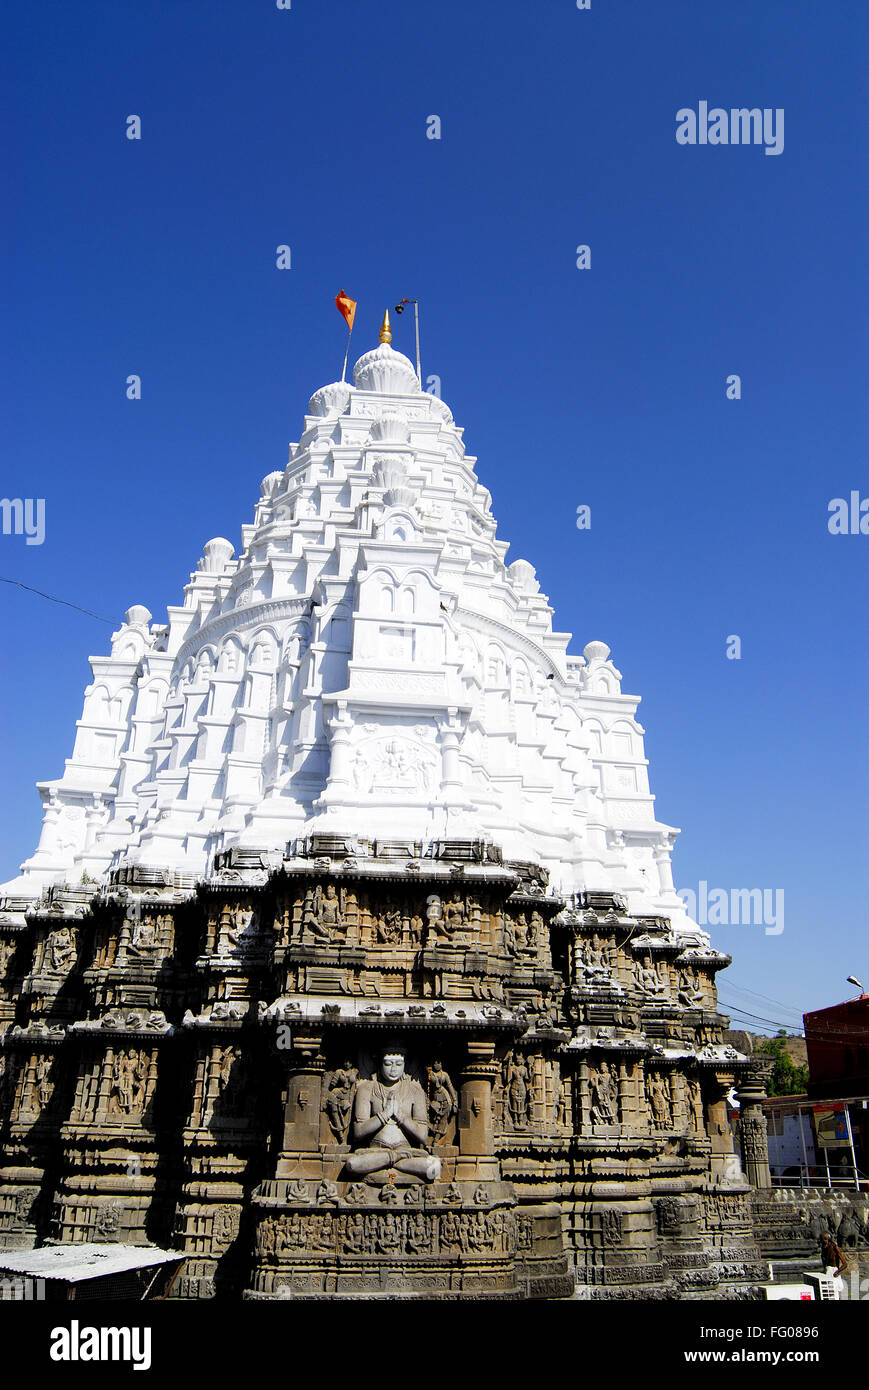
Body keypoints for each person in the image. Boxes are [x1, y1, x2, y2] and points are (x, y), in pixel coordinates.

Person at [345, 1044, 440, 1182]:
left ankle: (388, 1162)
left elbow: (423, 1136)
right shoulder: (366, 1089)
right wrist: (385, 1114)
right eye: (388, 1064)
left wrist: (399, 1116)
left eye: (398, 1064)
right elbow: (358, 1132)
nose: (393, 1069)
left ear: (405, 1065)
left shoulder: (415, 1090)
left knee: (434, 1167)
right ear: (379, 1063)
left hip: (406, 1150)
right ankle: (396, 1160)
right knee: (352, 1165)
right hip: (376, 1151)